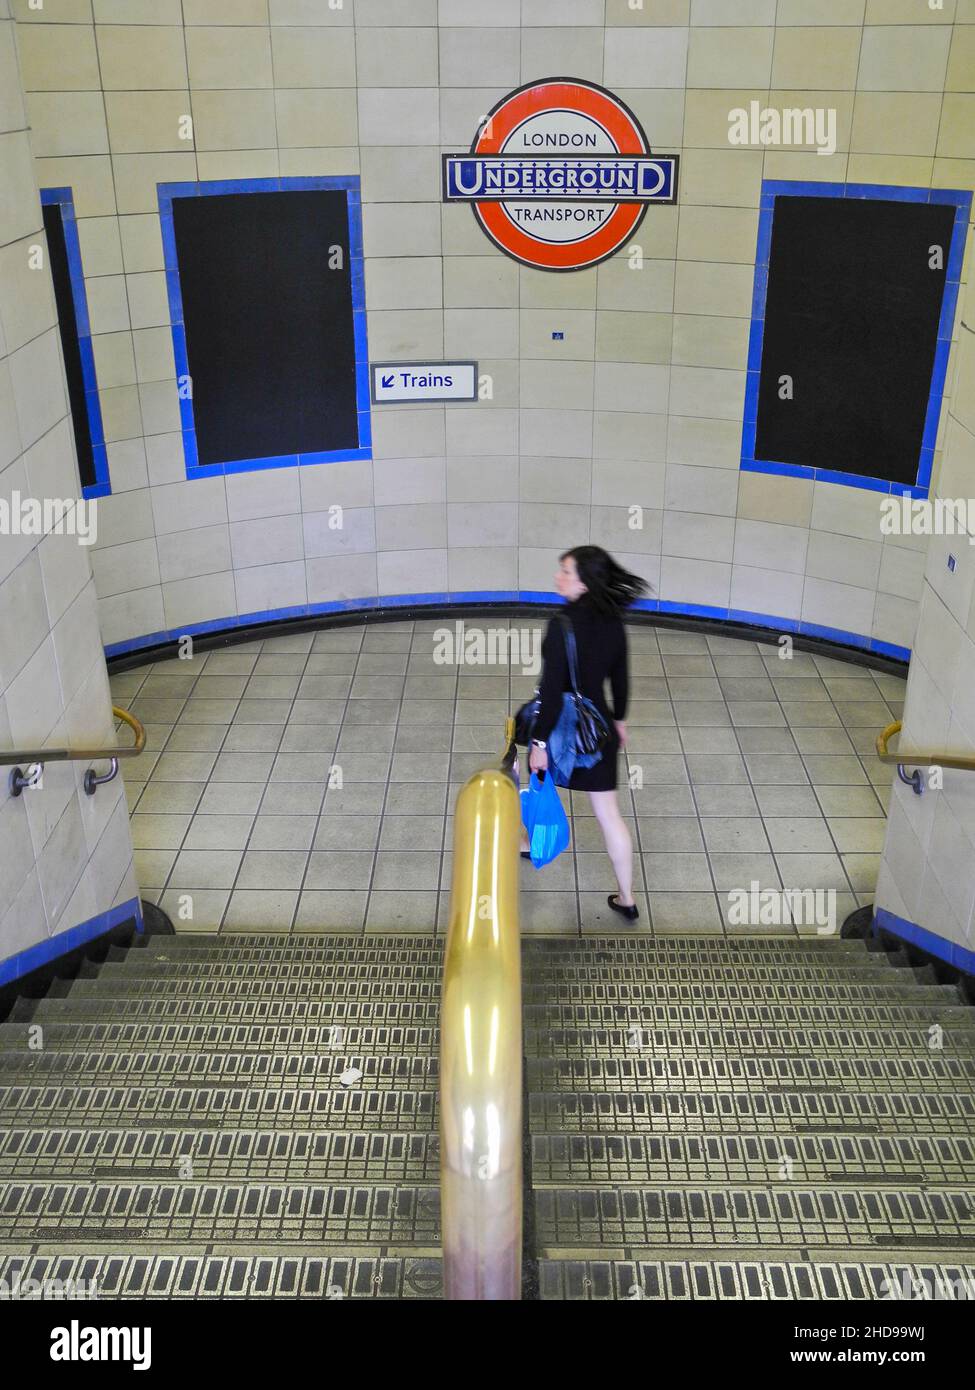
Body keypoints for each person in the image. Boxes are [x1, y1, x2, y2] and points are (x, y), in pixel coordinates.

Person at [520, 546, 648, 921]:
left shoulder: (561, 626)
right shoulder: (614, 620)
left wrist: (540, 743)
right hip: (599, 731)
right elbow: (621, 678)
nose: (558, 577)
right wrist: (619, 721)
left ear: (584, 581)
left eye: (565, 572)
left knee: (534, 781)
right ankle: (627, 897)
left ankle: (532, 842)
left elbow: (553, 693)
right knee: (609, 815)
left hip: (563, 732)